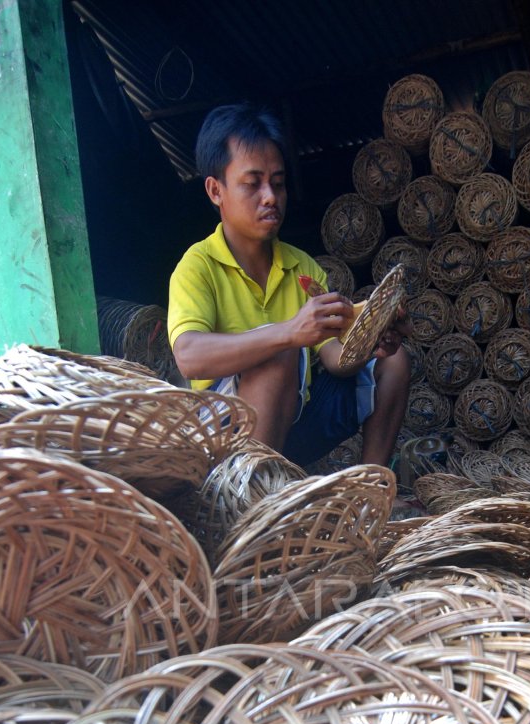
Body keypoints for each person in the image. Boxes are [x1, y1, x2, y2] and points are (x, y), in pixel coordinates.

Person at [167, 103, 410, 467]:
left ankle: (371, 490)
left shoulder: (303, 267)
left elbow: (334, 359)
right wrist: (289, 333)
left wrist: (370, 342)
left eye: (277, 184)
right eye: (253, 184)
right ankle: (249, 502)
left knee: (394, 364)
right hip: (223, 445)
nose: (270, 197)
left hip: (293, 422)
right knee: (279, 352)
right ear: (216, 191)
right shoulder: (197, 266)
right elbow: (189, 357)